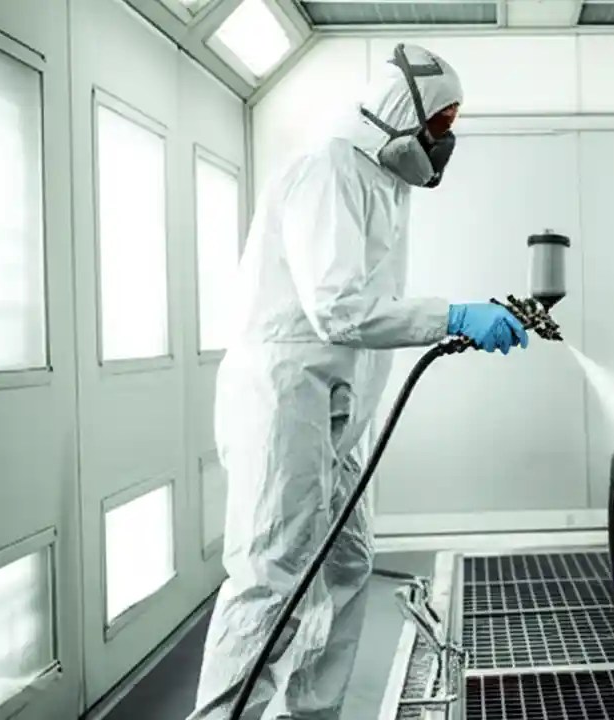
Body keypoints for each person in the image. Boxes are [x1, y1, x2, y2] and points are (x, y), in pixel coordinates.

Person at [188, 43, 526, 720]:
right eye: (440, 122)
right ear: (404, 111)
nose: (445, 138)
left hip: (339, 411)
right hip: (287, 401)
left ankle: (307, 715)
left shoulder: (384, 181)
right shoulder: (329, 169)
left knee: (344, 568)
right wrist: (452, 315)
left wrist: (452, 319)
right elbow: (338, 307)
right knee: (269, 580)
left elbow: (368, 309)